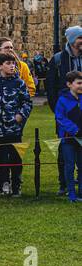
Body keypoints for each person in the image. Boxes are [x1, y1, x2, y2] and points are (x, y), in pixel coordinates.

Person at [0, 51, 33, 196]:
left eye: (13, 64)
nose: (12, 66)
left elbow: (27, 102)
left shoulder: (19, 83)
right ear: (0, 66)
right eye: (8, 64)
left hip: (13, 128)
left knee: (15, 157)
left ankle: (16, 185)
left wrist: (21, 115)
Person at [46, 26, 82, 195]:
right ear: (72, 39)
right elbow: (50, 86)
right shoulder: (59, 59)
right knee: (64, 147)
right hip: (65, 109)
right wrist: (56, 108)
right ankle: (64, 184)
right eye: (80, 37)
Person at [55, 71, 82, 201]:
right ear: (69, 84)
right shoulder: (62, 100)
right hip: (68, 139)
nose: (81, 86)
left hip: (81, 139)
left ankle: (81, 192)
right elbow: (60, 118)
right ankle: (71, 194)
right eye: (79, 83)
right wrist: (75, 130)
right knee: (69, 166)